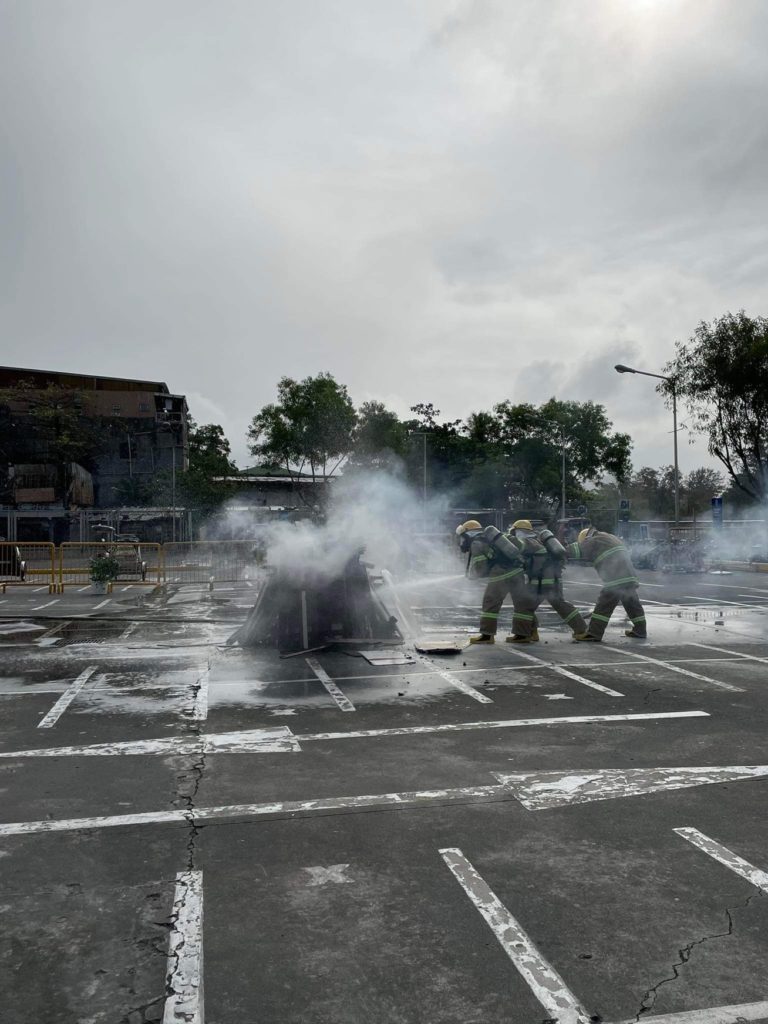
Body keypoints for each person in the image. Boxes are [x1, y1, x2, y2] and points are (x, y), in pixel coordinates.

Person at [455, 520, 533, 644]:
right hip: (517, 571)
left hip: (501, 574)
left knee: (490, 602)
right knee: (521, 604)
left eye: (462, 537)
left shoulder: (476, 543)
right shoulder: (491, 538)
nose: (462, 541)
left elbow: (481, 568)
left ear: (468, 534)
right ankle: (523, 635)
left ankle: (487, 636)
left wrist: (473, 576)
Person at [509, 519, 587, 641]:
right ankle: (581, 630)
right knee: (559, 604)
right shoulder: (536, 541)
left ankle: (524, 634)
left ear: (517, 531)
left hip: (540, 582)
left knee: (524, 606)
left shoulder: (527, 542)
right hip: (552, 580)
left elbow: (519, 551)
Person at [566, 526, 647, 642]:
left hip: (616, 577)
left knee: (604, 604)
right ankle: (640, 630)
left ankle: (594, 633)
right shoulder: (608, 537)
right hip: (629, 575)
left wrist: (561, 552)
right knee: (632, 603)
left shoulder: (593, 540)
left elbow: (578, 550)